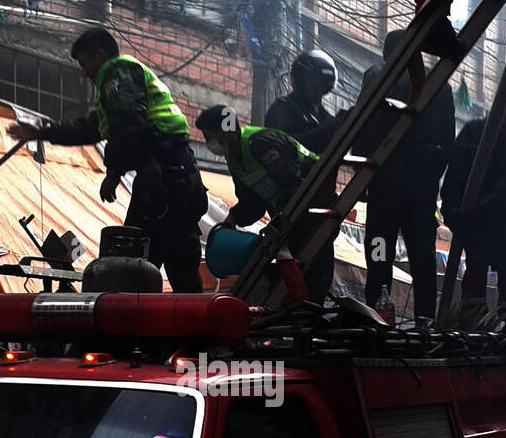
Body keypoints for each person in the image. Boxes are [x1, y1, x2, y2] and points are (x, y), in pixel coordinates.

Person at [8, 27, 209, 293]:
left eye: (85, 63)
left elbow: (128, 125)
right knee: (179, 263)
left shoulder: (115, 72)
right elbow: (91, 128)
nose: (85, 72)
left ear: (101, 55)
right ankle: (195, 330)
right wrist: (43, 132)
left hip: (162, 178)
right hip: (182, 177)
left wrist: (113, 173)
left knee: (134, 265)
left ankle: (133, 328)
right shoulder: (126, 82)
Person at [355, 29, 455, 324]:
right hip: (421, 190)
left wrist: (363, 174)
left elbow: (364, 124)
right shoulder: (440, 85)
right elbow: (448, 143)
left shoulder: (376, 75)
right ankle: (426, 318)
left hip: (384, 184)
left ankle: (377, 311)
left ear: (389, 53)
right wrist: (430, 178)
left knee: (379, 252)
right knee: (422, 256)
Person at [195, 105, 336, 304]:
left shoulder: (259, 143)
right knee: (296, 274)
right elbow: (252, 204)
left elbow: (291, 184)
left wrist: (277, 225)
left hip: (315, 205)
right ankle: (302, 317)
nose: (210, 142)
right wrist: (232, 219)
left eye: (211, 136)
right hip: (291, 217)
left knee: (314, 269)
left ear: (226, 131)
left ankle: (313, 321)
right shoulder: (234, 159)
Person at [440, 74, 506, 334]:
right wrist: (454, 214)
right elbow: (453, 181)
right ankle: (472, 337)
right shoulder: (474, 132)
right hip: (475, 228)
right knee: (473, 292)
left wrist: (476, 213)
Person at [263, 49, 344, 154]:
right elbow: (283, 145)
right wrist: (322, 130)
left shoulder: (320, 113)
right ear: (301, 84)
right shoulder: (284, 108)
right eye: (315, 87)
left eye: (324, 89)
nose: (319, 93)